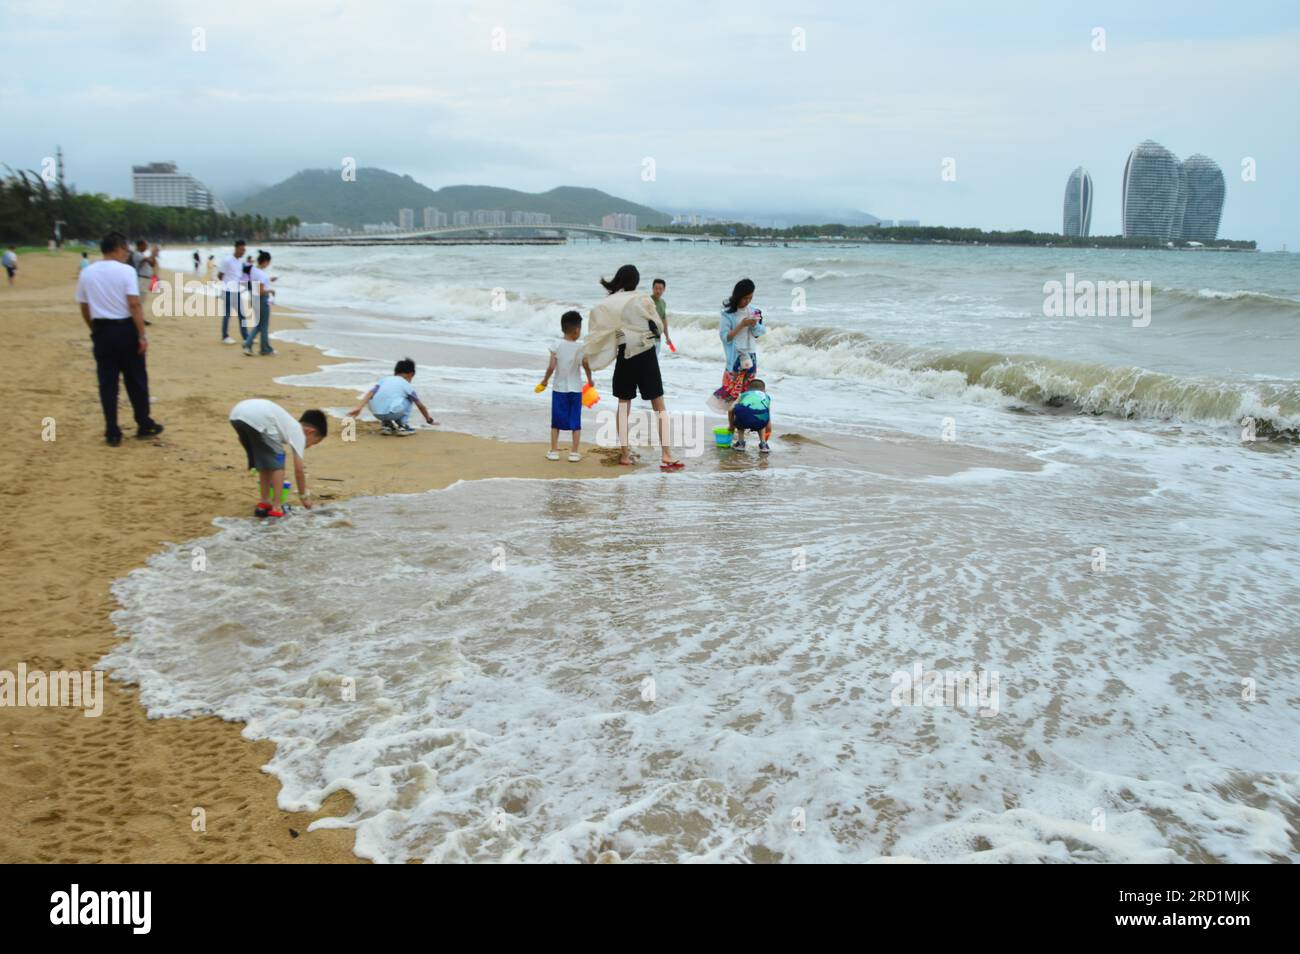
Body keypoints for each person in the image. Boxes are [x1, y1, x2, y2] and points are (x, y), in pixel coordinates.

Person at [585, 264, 682, 470]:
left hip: (625, 357)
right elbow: (656, 325)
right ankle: (666, 454)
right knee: (659, 406)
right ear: (637, 281)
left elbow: (597, 320)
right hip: (646, 356)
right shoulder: (643, 299)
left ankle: (625, 454)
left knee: (623, 405)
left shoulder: (610, 303)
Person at [75, 232, 164, 446]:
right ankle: (143, 423)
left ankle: (112, 429)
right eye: (125, 250)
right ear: (118, 248)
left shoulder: (87, 272)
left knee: (108, 383)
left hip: (102, 330)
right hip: (125, 329)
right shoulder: (126, 271)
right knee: (136, 379)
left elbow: (84, 307)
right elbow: (134, 304)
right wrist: (141, 335)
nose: (126, 254)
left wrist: (94, 328)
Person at [229, 399, 326, 518]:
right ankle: (276, 506)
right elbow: (299, 471)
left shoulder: (287, 425)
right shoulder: (299, 432)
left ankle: (264, 502)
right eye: (314, 442)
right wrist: (303, 497)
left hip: (236, 414)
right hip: (259, 418)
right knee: (278, 460)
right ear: (310, 432)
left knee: (266, 460)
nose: (310, 446)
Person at [538, 310, 593, 461]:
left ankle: (554, 450)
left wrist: (545, 381)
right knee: (575, 420)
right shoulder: (581, 347)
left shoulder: (556, 345)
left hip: (559, 389)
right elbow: (586, 365)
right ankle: (574, 452)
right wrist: (590, 380)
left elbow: (551, 367)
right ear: (576, 330)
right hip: (575, 389)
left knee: (556, 420)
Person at [710, 278, 766, 413]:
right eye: (745, 298)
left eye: (750, 298)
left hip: (750, 356)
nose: (747, 301)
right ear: (738, 296)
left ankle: (743, 422)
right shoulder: (728, 314)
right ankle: (731, 424)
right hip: (735, 358)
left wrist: (754, 325)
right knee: (731, 391)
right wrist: (742, 325)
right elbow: (725, 338)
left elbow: (760, 332)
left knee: (748, 391)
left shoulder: (754, 311)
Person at [346, 357, 438, 435]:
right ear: (411, 374)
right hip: (392, 413)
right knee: (410, 399)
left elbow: (371, 393)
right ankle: (403, 426)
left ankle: (387, 425)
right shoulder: (406, 384)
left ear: (395, 372)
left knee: (384, 397)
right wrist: (429, 420)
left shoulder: (384, 380)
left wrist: (359, 408)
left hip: (377, 414)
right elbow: (420, 406)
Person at [241, 250, 277, 356]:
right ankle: (264, 348)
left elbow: (258, 283)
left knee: (259, 324)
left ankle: (248, 345)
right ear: (265, 261)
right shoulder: (261, 274)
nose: (268, 264)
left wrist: (269, 279)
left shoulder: (253, 269)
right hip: (262, 299)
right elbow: (261, 291)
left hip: (254, 298)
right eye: (269, 262)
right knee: (264, 325)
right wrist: (271, 291)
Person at [728, 378, 772, 453]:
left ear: (748, 390)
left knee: (740, 413)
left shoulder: (742, 395)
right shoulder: (766, 397)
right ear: (764, 390)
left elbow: (730, 409)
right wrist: (768, 430)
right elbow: (768, 416)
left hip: (743, 419)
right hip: (761, 422)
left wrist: (731, 426)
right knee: (761, 417)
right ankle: (763, 444)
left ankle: (741, 443)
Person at [217, 240, 246, 343]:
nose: (243, 252)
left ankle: (246, 337)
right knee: (227, 314)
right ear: (236, 248)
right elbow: (220, 275)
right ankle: (225, 336)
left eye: (244, 250)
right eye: (241, 249)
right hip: (227, 291)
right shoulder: (227, 260)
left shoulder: (239, 262)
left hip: (237, 291)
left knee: (242, 315)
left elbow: (238, 276)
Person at [650, 278, 674, 353]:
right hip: (648, 339)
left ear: (664, 289)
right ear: (652, 288)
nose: (658, 291)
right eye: (656, 288)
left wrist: (667, 337)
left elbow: (664, 321)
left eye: (660, 289)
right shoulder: (647, 301)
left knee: (655, 362)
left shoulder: (663, 302)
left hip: (657, 338)